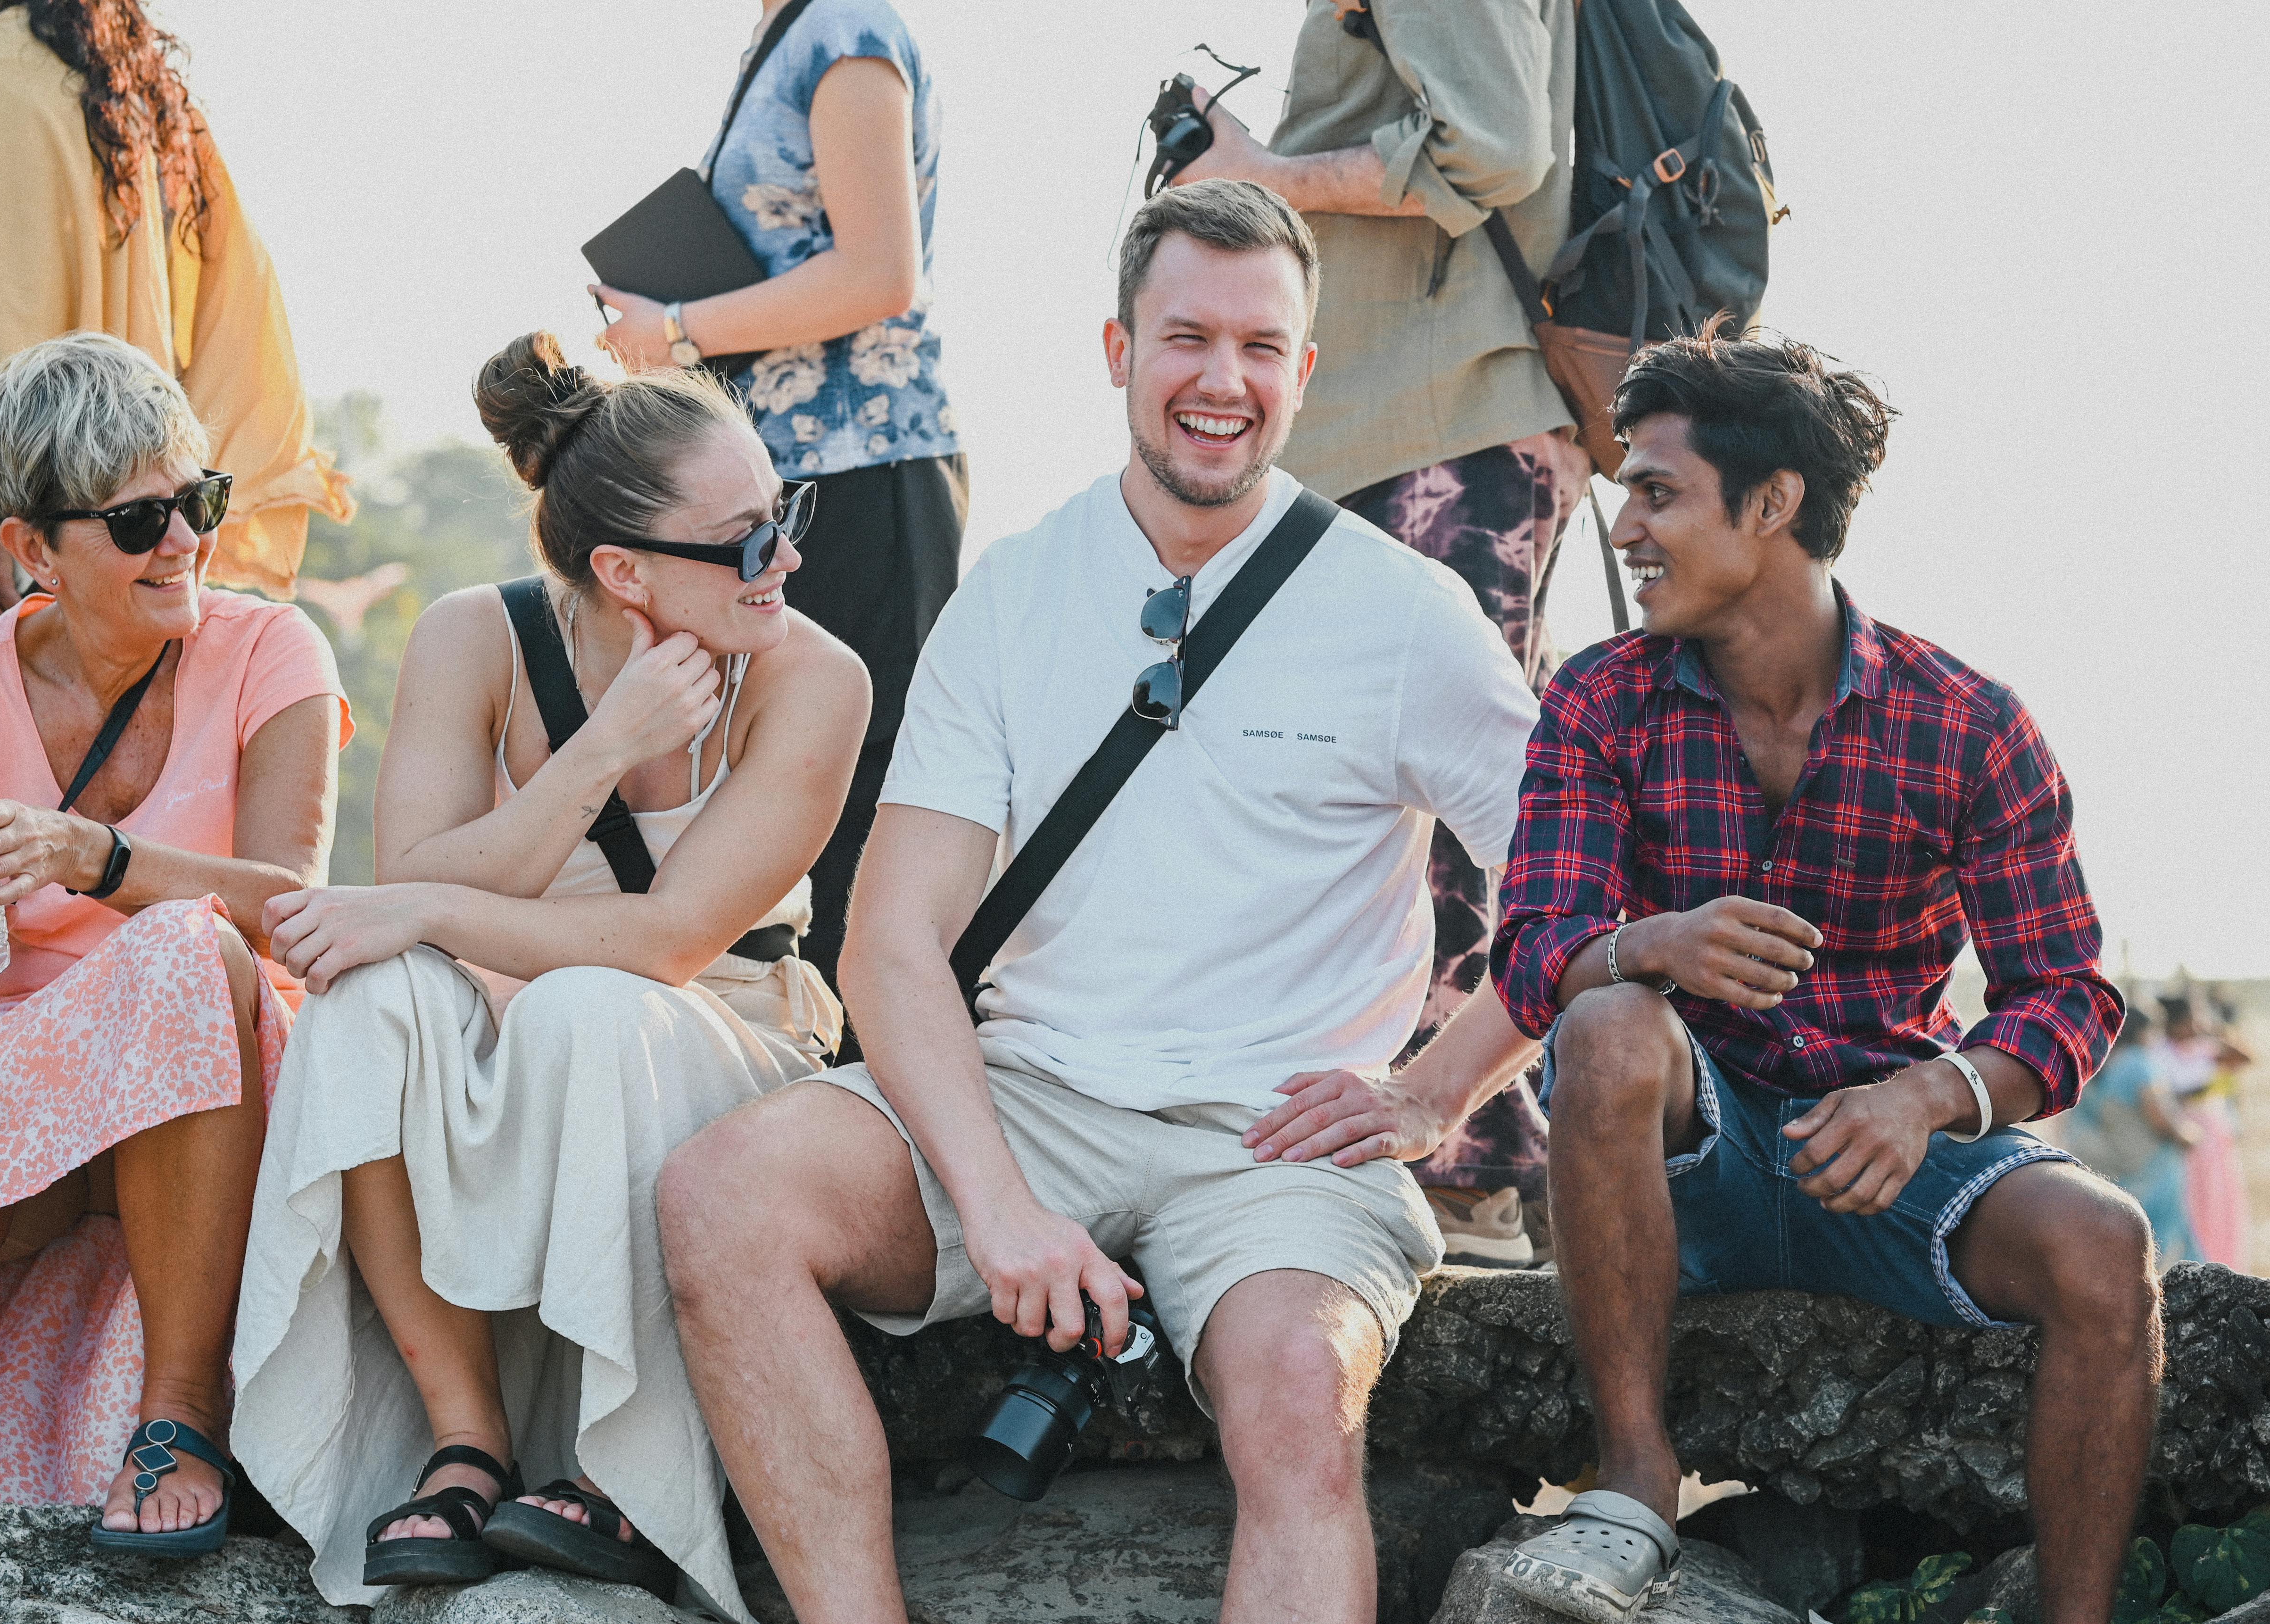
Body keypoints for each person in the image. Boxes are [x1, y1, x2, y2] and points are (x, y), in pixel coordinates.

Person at [654, 180, 1545, 1624]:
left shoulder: (1404, 612)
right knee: (722, 1194)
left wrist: (1437, 1090)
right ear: (1118, 347)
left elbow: (1585, 890)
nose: (1223, 380)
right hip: (1031, 1093)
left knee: (1301, 1390)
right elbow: (891, 937)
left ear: (1304, 373)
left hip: (1278, 1133)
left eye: (1262, 348)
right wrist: (999, 1211)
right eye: (1186, 335)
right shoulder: (1013, 591)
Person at [1488, 325, 2150, 1624]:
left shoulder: (1968, 722)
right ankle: (1633, 1491)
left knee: (2106, 1244)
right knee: (1613, 1024)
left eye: (1656, 489)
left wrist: (1931, 1096)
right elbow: (1530, 952)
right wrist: (1651, 943)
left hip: (1887, 1160)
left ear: (1774, 504)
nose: (1623, 524)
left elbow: (2067, 994)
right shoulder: (1599, 698)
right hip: (1692, 1163)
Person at [229, 335, 868, 1619]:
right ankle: (466, 1438)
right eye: (746, 540)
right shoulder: (477, 639)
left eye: (783, 517)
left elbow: (672, 941)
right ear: (624, 571)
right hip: (517, 1033)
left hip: (727, 1047)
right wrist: (602, 751)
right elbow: (411, 885)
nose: (786, 562)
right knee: (371, 998)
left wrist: (425, 900)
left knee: (581, 1003)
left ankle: (625, 1463)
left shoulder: (816, 678)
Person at [0, 332, 348, 1622]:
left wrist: (92, 855)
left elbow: (291, 909)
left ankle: (180, 1416)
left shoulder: (273, 652)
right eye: (138, 519)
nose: (184, 539)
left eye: (198, 500)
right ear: (31, 547)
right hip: (26, 1096)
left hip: (216, 1076)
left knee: (188, 946)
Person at [1173, 0, 1587, 1262]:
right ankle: (1440, 1155)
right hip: (1401, 414)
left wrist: (1255, 177)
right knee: (1367, 799)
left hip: (1441, 412)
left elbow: (1500, 149)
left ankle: (1474, 1171)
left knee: (1460, 811)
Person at [0, 0, 349, 900]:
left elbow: (0, 320)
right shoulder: (119, 80)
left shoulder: (0, 75)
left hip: (20, 491)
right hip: (102, 491)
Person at [589, 0, 962, 1030]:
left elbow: (880, 271)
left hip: (864, 473)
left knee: (866, 798)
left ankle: (874, 1095)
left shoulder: (845, 26)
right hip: (784, 484)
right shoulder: (785, 34)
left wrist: (675, 330)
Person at [2064, 1005, 2197, 1267]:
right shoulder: (2139, 1062)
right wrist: (2189, 1136)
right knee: (2165, 1238)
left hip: (2120, 1164)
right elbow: (2159, 1117)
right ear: (2144, 1031)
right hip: (2151, 1163)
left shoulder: (2105, 1061)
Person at [2158, 994, 2253, 1270]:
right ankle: (2194, 1262)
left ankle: (2224, 1261)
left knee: (2221, 1197)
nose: (2194, 1025)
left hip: (2212, 1134)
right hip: (2182, 1135)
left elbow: (2245, 1057)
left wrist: (2213, 1028)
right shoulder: (2160, 1051)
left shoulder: (2206, 1046)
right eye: (2190, 1020)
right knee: (2190, 1201)